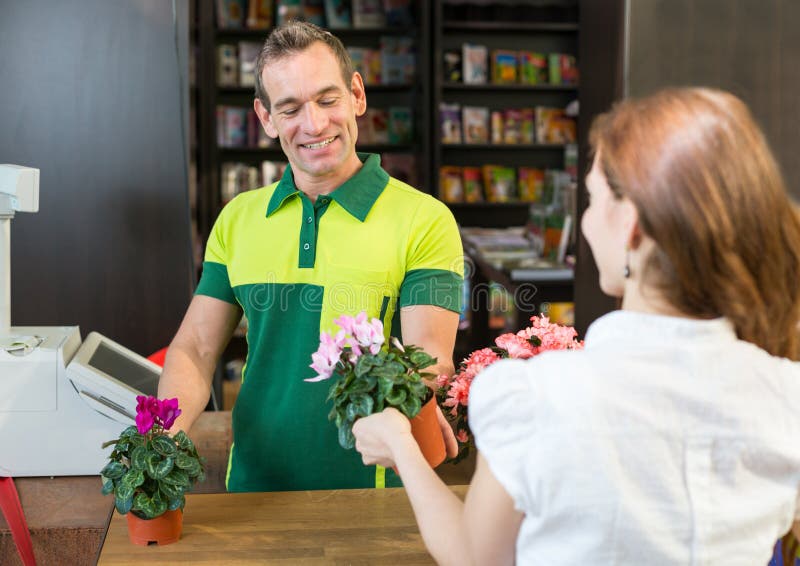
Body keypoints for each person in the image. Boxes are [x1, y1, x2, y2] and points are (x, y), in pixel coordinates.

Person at [353, 87, 800, 564]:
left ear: (629, 224)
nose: (584, 222)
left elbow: (474, 556)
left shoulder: (538, 395)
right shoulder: (785, 391)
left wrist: (402, 447)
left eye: (591, 198)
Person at [158, 21, 462, 492]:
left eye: (327, 99)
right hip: (253, 489)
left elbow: (432, 361)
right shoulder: (237, 218)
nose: (314, 125)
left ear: (356, 95)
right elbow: (194, 350)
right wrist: (161, 437)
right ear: (266, 118)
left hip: (375, 493)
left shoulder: (425, 220)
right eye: (290, 108)